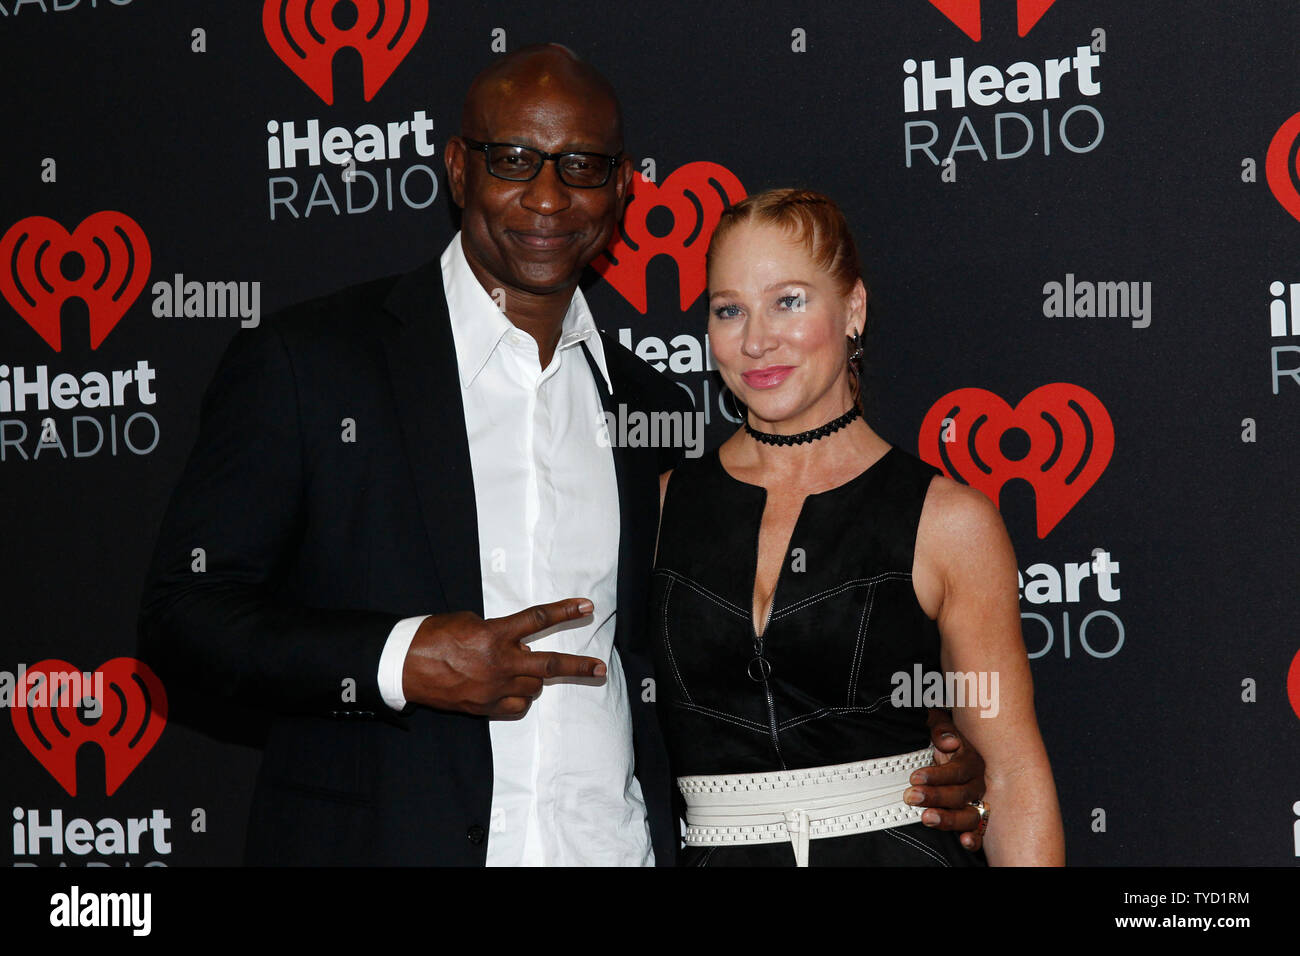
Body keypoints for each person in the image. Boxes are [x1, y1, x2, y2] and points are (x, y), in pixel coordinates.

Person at [139, 47, 988, 865]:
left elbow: (722, 661)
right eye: (514, 159)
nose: (548, 197)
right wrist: (402, 659)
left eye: (582, 166)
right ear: (457, 168)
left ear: (621, 189)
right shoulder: (312, 365)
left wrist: (914, 751)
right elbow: (186, 617)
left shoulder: (657, 413)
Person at [652, 188, 1065, 866]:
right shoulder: (661, 509)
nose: (757, 340)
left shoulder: (948, 520)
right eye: (730, 310)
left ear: (853, 309)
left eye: (788, 301)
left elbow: (1014, 777)